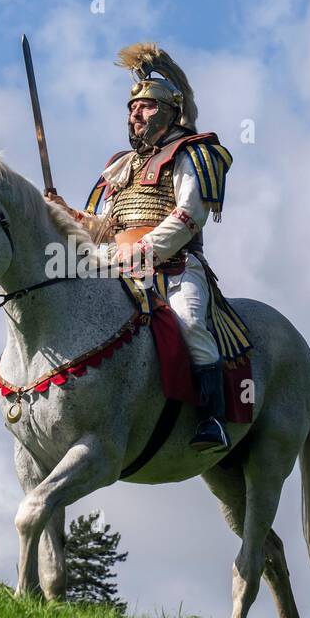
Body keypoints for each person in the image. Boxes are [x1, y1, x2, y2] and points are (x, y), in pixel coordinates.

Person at [47, 42, 235, 453]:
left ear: (170, 111)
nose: (135, 115)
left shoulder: (192, 151)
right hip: (116, 264)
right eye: (132, 110)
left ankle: (212, 419)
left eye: (146, 107)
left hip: (174, 266)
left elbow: (189, 215)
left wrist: (146, 249)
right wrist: (67, 215)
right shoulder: (121, 166)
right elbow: (102, 229)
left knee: (190, 325)